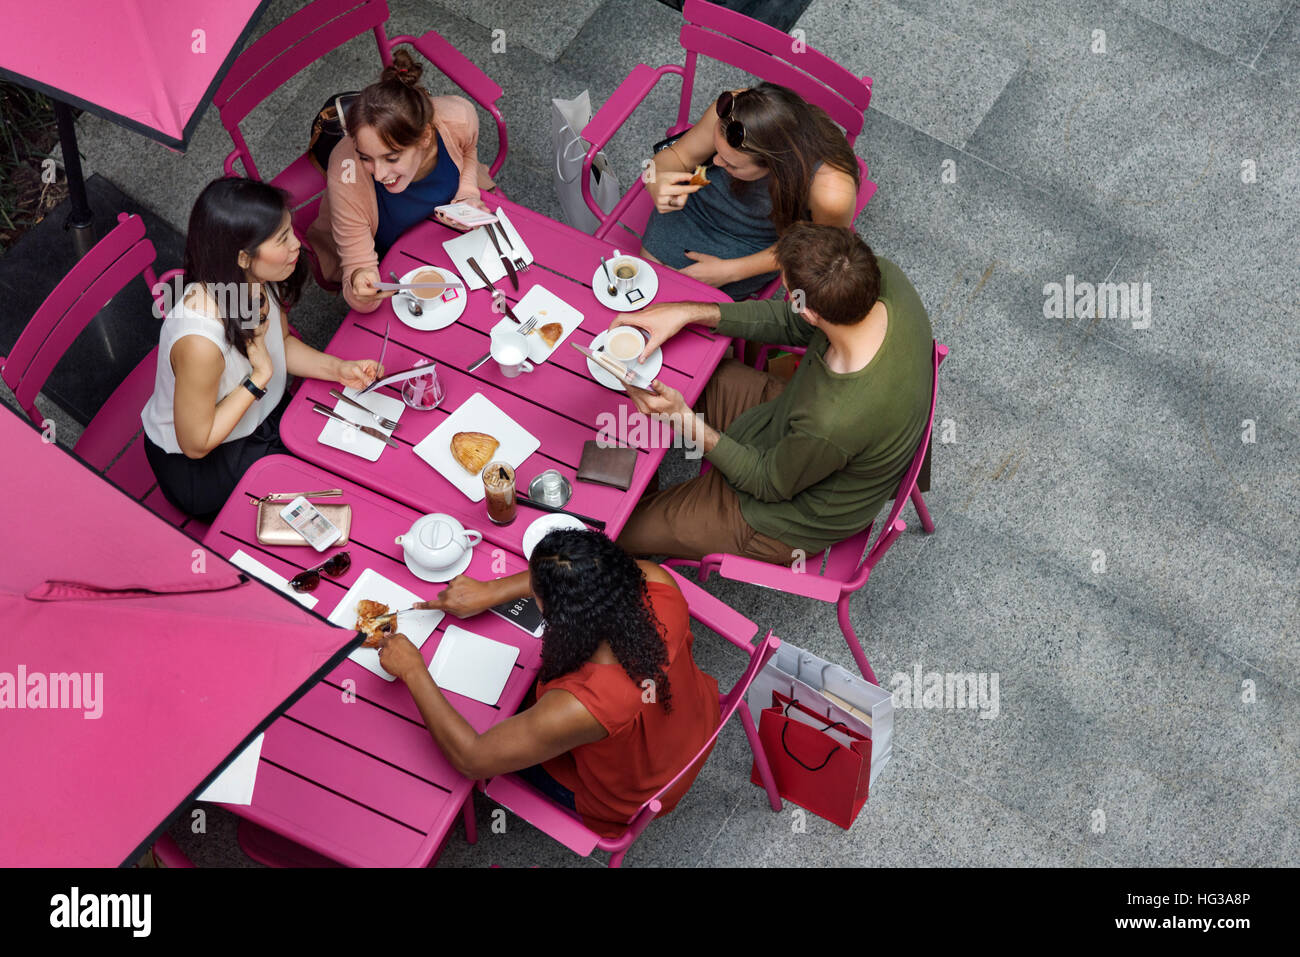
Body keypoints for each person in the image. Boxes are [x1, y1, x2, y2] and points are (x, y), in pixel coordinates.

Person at [612, 222, 934, 564]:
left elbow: (767, 482)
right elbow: (792, 322)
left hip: (780, 514)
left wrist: (684, 422)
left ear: (811, 311)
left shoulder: (834, 419)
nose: (788, 300)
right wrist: (690, 312)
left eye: (790, 293)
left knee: (614, 529)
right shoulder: (880, 277)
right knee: (674, 370)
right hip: (791, 420)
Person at [375, 530, 721, 838]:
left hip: (634, 791)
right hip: (696, 723)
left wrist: (413, 670)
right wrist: (491, 591)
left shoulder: (581, 705)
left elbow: (471, 758)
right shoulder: (655, 581)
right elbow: (580, 578)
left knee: (486, 724)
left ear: (565, 617)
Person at [141, 178, 383, 521]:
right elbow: (196, 443)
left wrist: (337, 369)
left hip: (259, 417)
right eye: (282, 239)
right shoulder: (199, 343)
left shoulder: (254, 279)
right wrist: (259, 377)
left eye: (290, 231)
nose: (297, 244)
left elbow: (280, 343)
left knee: (355, 460)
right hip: (209, 464)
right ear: (242, 256)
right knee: (334, 500)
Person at [306, 48, 496, 314]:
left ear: (425, 138)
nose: (380, 174)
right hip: (394, 258)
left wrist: (467, 192)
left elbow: (468, 151)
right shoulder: (346, 172)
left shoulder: (459, 118)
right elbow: (358, 268)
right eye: (366, 157)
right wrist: (363, 285)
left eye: (392, 158)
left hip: (455, 238)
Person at [639, 83, 860, 300]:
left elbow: (817, 245)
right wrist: (657, 180)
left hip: (756, 244)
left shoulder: (832, 191)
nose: (714, 161)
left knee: (687, 310)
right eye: (716, 150)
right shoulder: (737, 110)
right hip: (694, 207)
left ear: (775, 165)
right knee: (644, 285)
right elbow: (679, 155)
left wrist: (731, 271)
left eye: (730, 164)